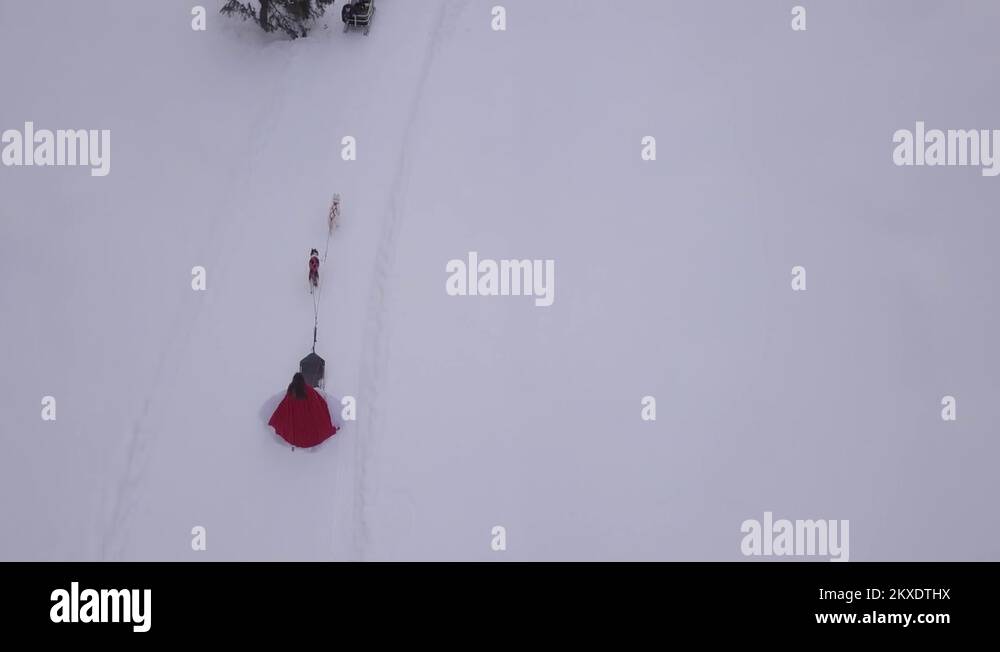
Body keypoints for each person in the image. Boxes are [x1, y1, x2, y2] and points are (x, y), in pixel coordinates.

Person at [268, 372, 338, 449]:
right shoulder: (309, 391)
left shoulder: (290, 393)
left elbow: (282, 410)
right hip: (311, 436)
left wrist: (274, 420)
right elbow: (318, 408)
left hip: (295, 437)